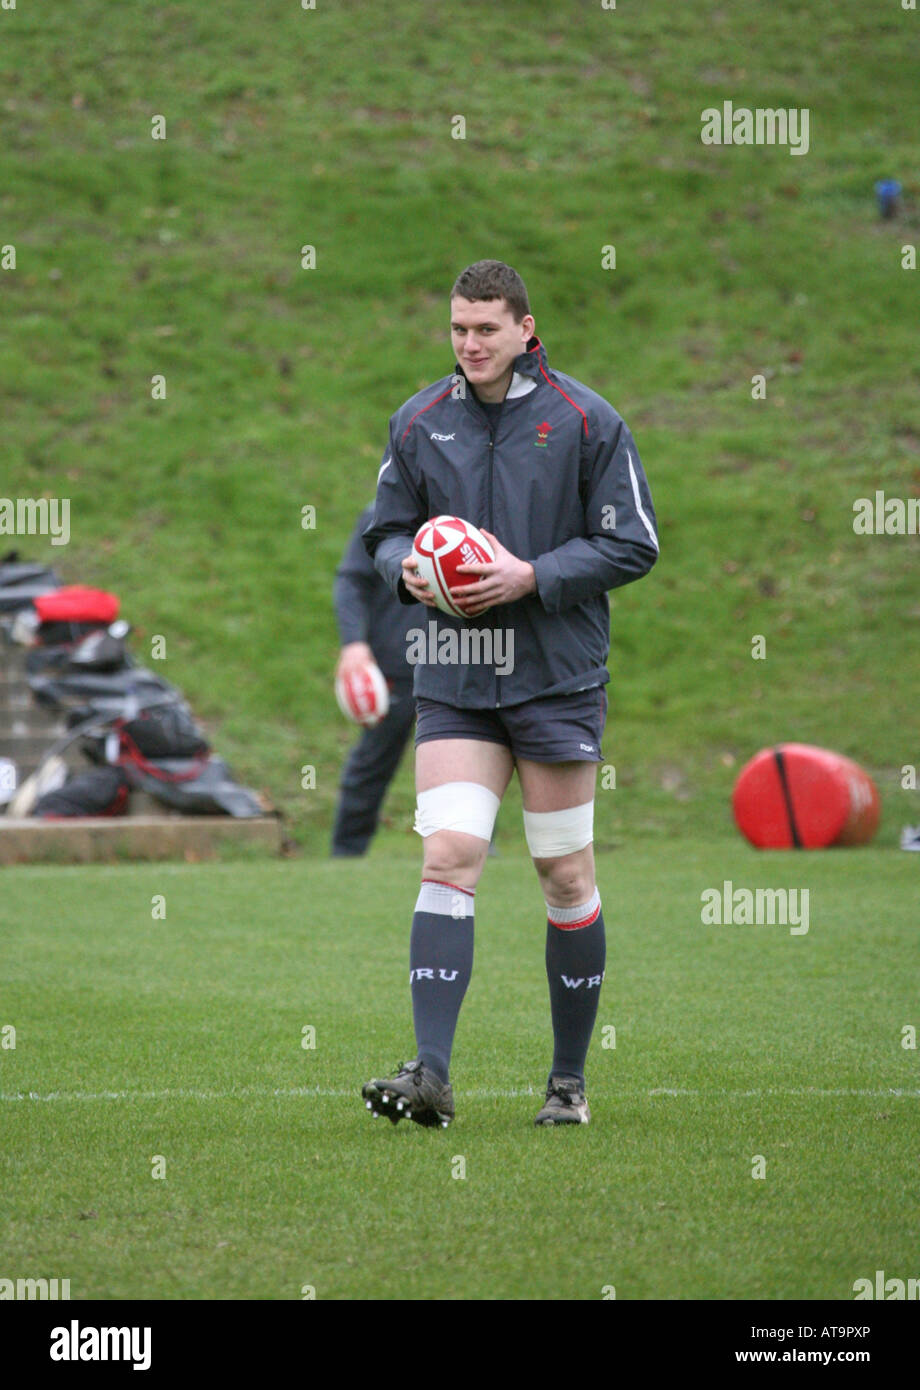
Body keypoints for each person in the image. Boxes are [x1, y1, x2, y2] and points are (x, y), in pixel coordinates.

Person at [361, 260, 658, 1128]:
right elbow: (381, 533)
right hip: (455, 677)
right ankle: (432, 1077)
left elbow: (633, 544)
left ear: (526, 329)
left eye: (486, 328)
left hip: (557, 677)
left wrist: (534, 575)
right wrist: (407, 571)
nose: (470, 344)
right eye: (458, 328)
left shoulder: (584, 421)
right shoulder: (418, 422)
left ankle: (567, 1082)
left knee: (563, 874)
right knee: (449, 855)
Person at [330, 502, 421, 857]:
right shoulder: (381, 514)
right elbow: (352, 579)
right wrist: (353, 643)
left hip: (459, 663)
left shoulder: (469, 510)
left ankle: (478, 852)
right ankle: (345, 857)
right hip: (395, 666)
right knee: (371, 766)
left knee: (472, 765)